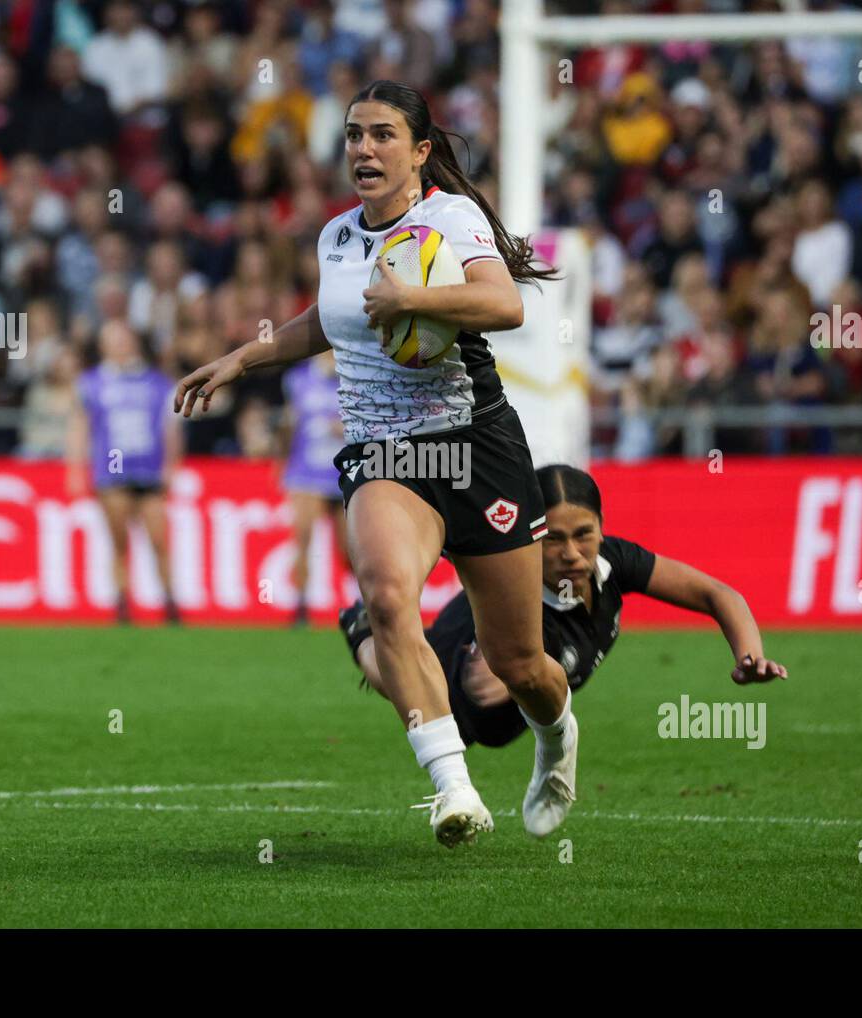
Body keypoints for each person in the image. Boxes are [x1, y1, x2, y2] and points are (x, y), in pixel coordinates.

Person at [175, 80, 575, 848]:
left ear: (421, 152)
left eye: (383, 135)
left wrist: (418, 299)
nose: (363, 147)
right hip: (383, 451)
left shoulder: (449, 219)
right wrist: (244, 357)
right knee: (388, 597)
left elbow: (506, 306)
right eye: (354, 134)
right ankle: (454, 788)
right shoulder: (335, 237)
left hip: (474, 445)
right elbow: (329, 322)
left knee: (519, 662)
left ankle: (556, 744)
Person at [340, 465, 788, 755]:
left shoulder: (616, 560)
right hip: (463, 678)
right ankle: (361, 630)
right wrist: (492, 682)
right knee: (406, 686)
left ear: (602, 528)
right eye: (553, 539)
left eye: (584, 534)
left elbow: (718, 594)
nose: (572, 553)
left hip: (522, 695)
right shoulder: (519, 594)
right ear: (530, 535)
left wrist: (749, 656)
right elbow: (489, 707)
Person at [68, 320, 181, 624]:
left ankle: (171, 604)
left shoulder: (157, 382)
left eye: (123, 338)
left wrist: (172, 465)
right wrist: (76, 467)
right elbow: (80, 426)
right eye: (112, 339)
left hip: (149, 473)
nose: (119, 344)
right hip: (111, 473)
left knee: (159, 540)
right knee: (119, 543)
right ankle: (122, 606)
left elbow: (170, 427)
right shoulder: (92, 382)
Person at [280, 349, 349, 625]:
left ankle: (364, 603)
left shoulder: (352, 375)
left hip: (344, 471)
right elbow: (290, 422)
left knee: (352, 549)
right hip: (306, 471)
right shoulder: (296, 378)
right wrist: (282, 460)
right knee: (303, 537)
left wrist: (345, 430)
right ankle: (301, 607)